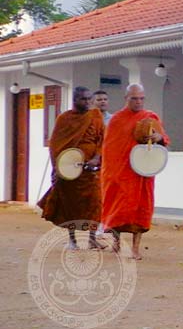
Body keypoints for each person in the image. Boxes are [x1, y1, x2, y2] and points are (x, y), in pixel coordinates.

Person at [100, 84, 169, 260]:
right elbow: (110, 148)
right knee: (118, 209)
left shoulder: (150, 117)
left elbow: (163, 139)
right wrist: (111, 172)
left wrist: (158, 138)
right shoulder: (116, 120)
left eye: (141, 98)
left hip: (141, 173)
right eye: (134, 99)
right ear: (126, 99)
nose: (138, 102)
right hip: (118, 173)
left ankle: (135, 248)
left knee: (139, 209)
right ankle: (116, 242)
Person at [38, 86, 106, 250]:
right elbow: (55, 146)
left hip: (90, 171)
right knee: (70, 206)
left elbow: (102, 140)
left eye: (90, 99)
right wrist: (61, 168)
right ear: (75, 100)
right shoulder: (64, 119)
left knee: (95, 203)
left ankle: (91, 239)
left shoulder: (95, 116)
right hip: (70, 172)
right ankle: (72, 240)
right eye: (84, 99)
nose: (88, 102)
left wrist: (97, 158)